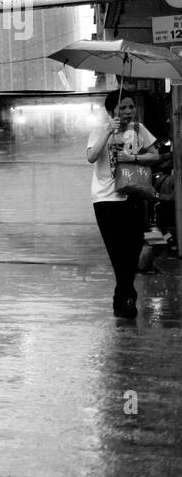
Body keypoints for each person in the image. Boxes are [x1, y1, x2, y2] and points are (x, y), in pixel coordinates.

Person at [87, 92, 158, 318]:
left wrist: (133, 158)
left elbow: (155, 156)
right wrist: (109, 131)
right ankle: (128, 296)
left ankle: (122, 294)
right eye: (122, 107)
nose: (128, 111)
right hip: (106, 199)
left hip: (133, 195)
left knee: (133, 248)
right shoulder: (99, 131)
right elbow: (91, 157)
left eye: (131, 107)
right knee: (117, 251)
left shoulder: (139, 130)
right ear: (111, 111)